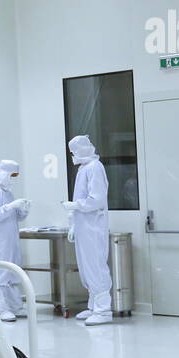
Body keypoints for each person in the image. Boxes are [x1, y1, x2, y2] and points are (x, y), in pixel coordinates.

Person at [62, 135, 113, 326]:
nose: (73, 155)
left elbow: (97, 199)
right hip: (84, 227)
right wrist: (74, 224)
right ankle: (93, 306)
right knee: (86, 267)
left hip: (94, 227)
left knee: (96, 266)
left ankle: (103, 310)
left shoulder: (95, 167)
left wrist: (76, 205)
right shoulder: (84, 168)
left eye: (74, 151)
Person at [0, 160, 30, 322]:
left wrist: (23, 210)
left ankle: (15, 306)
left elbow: (15, 217)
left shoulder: (8, 192)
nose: (14, 178)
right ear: (3, 173)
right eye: (12, 175)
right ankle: (1, 309)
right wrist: (11, 206)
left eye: (16, 175)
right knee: (1, 273)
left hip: (11, 238)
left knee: (13, 272)